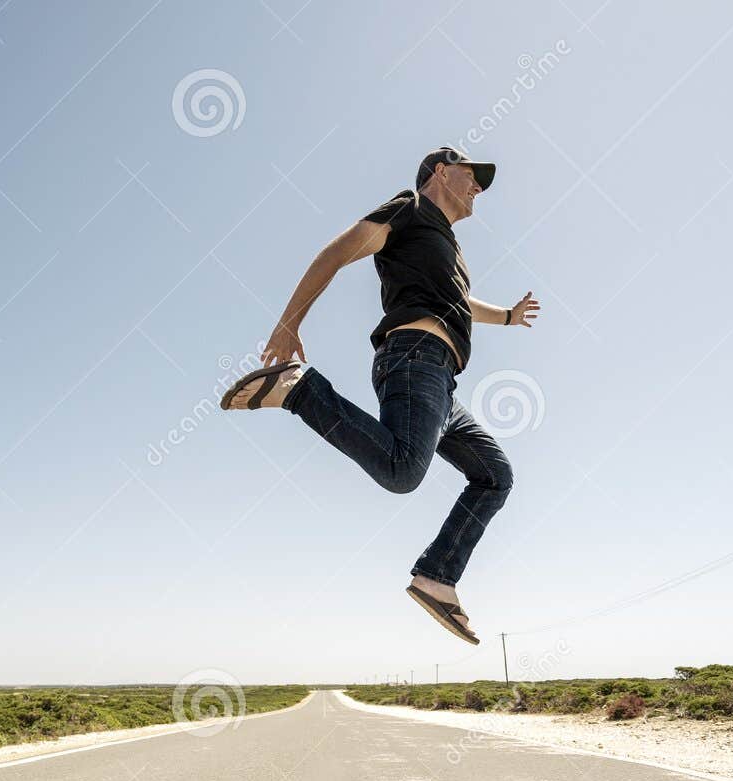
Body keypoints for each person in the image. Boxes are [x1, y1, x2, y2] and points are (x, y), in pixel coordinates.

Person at [221, 146, 539, 645]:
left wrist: (506, 316)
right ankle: (301, 390)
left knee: (495, 475)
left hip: (441, 381)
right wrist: (289, 323)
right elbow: (337, 252)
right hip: (413, 359)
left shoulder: (447, 245)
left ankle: (437, 576)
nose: (478, 186)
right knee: (401, 472)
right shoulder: (409, 209)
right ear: (440, 172)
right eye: (472, 175)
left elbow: (459, 302)